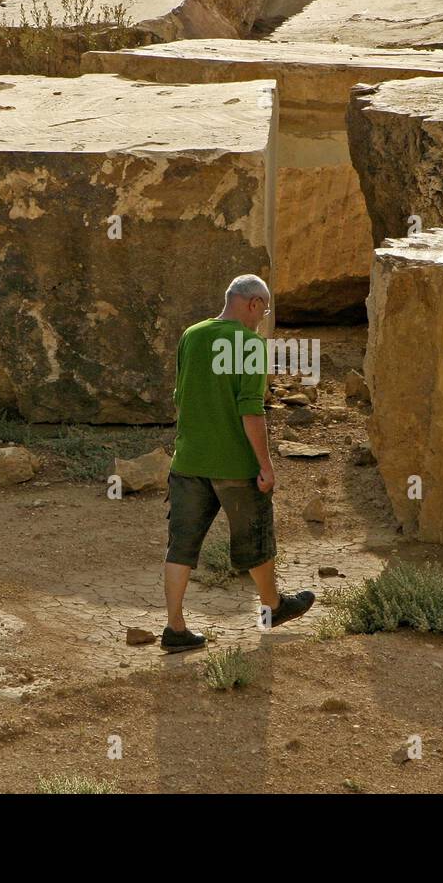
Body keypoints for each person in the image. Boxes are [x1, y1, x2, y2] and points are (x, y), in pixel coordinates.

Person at [160, 274, 315, 652]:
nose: (263, 317)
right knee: (255, 539)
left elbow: (181, 395)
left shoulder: (192, 334)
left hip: (189, 461)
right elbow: (251, 409)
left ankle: (175, 628)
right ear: (252, 303)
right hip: (234, 466)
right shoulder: (250, 344)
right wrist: (265, 464)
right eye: (264, 309)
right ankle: (272, 606)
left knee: (181, 547)